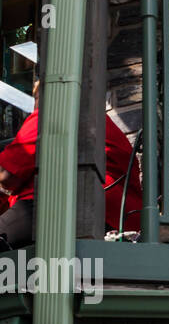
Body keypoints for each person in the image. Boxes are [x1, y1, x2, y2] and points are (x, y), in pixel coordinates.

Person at [0, 81, 143, 249]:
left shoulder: (53, 112)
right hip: (119, 221)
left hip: (61, 205)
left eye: (37, 98)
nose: (35, 107)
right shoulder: (100, 124)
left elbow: (7, 176)